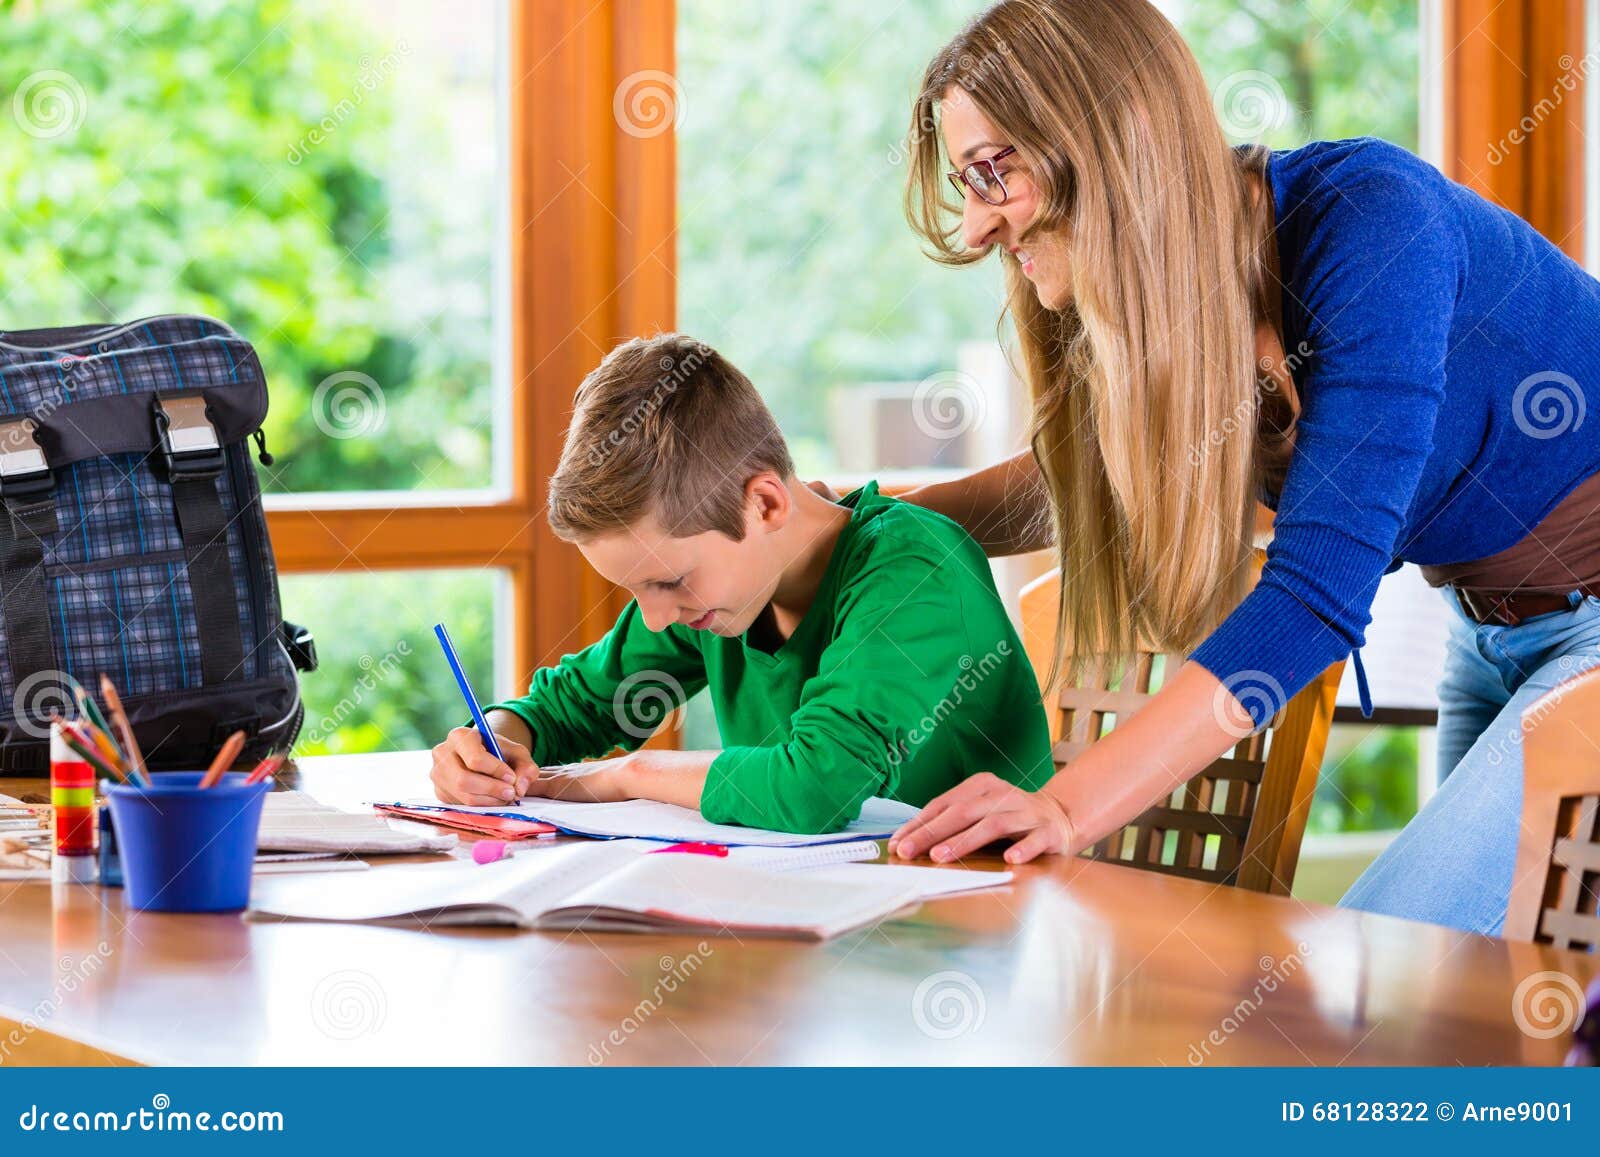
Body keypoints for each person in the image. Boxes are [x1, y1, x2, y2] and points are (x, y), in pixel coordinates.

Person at [885, 0, 1600, 936]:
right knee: (1475, 1012)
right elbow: (1076, 484)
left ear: (1113, 139)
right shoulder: (1179, 307)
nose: (976, 227)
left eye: (992, 173)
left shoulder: (1371, 222)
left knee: (1410, 984)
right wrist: (861, 523)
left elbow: (1315, 596)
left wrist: (1065, 806)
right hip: (1493, 634)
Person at [429, 333, 1055, 833]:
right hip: (813, 929)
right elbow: (576, 707)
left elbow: (815, 786)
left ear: (764, 504)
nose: (654, 618)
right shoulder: (726, 592)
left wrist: (632, 773)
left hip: (973, 927)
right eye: (638, 591)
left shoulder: (913, 570)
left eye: (669, 581)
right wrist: (494, 744)